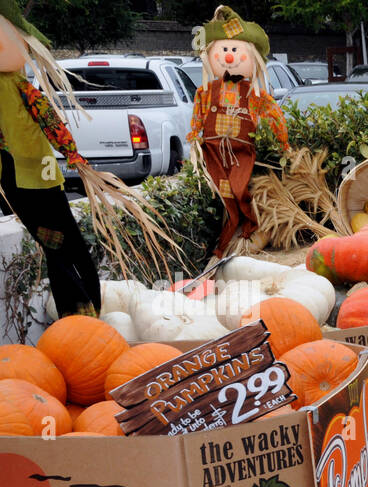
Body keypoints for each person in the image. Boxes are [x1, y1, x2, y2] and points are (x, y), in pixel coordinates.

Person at [0, 0, 167, 316]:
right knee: (55, 243)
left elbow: (50, 121)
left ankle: (81, 307)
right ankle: (78, 309)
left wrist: (72, 154)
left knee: (62, 242)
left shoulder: (20, 87)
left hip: (39, 174)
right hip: (11, 176)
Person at [189, 5, 289, 257]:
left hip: (242, 151)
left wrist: (283, 142)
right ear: (211, 55)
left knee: (239, 187)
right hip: (212, 150)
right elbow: (198, 117)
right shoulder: (205, 92)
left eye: (235, 50)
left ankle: (248, 226)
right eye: (223, 50)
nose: (229, 56)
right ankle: (228, 235)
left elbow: (275, 117)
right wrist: (193, 139)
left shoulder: (255, 95)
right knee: (223, 192)